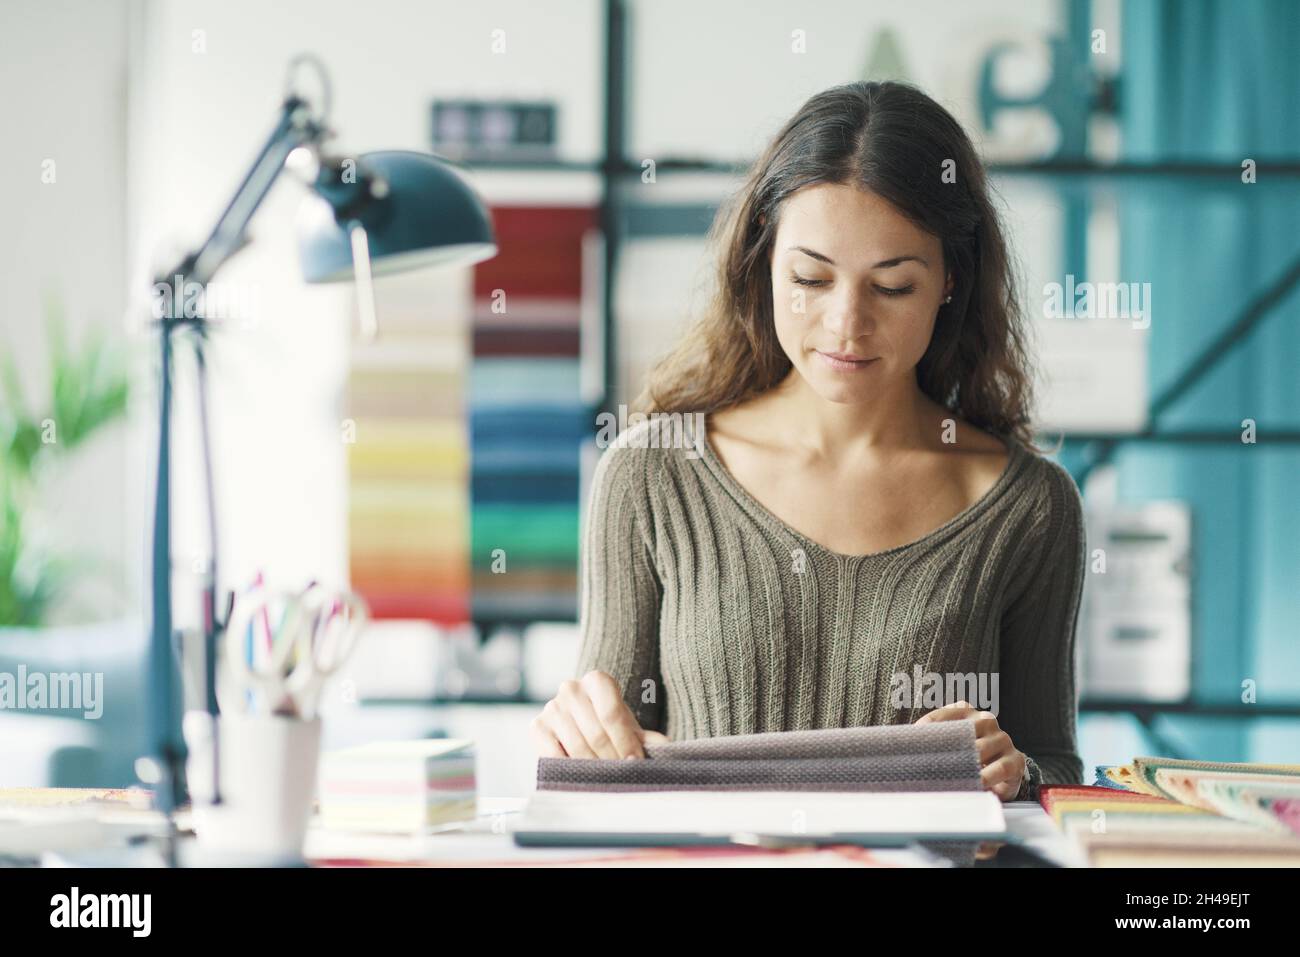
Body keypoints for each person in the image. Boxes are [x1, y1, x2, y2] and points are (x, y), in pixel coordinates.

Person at [529, 80, 1086, 802]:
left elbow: (1059, 765)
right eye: (810, 278)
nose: (846, 324)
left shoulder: (1031, 509)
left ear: (951, 279)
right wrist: (580, 734)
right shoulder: (651, 474)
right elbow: (601, 767)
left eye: (892, 287)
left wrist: (1020, 772)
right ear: (764, 257)